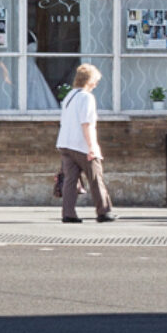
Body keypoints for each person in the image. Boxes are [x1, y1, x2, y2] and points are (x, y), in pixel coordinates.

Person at [55, 61, 113, 224]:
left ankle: (68, 213)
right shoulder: (87, 97)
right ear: (89, 81)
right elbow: (86, 123)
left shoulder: (69, 96)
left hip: (65, 142)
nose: (96, 84)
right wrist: (92, 147)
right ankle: (104, 212)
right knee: (95, 178)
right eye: (95, 80)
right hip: (81, 144)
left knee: (70, 180)